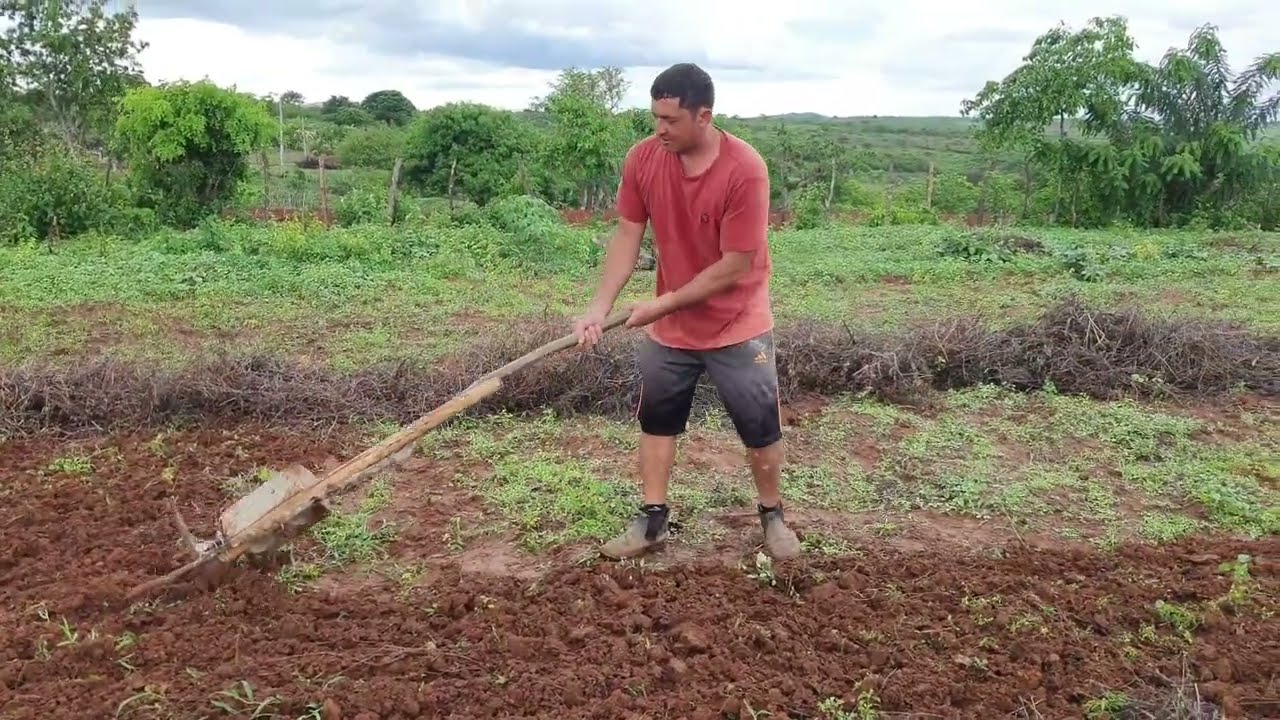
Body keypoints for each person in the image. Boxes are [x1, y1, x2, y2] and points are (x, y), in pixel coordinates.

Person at [572, 62, 801, 561]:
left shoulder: (744, 169)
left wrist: (660, 304)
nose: (659, 130)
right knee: (657, 421)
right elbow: (628, 234)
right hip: (670, 327)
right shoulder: (644, 160)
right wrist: (598, 307)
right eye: (655, 117)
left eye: (670, 120)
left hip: (737, 324)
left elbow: (736, 265)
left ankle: (772, 515)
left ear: (704, 116)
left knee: (760, 428)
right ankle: (653, 520)